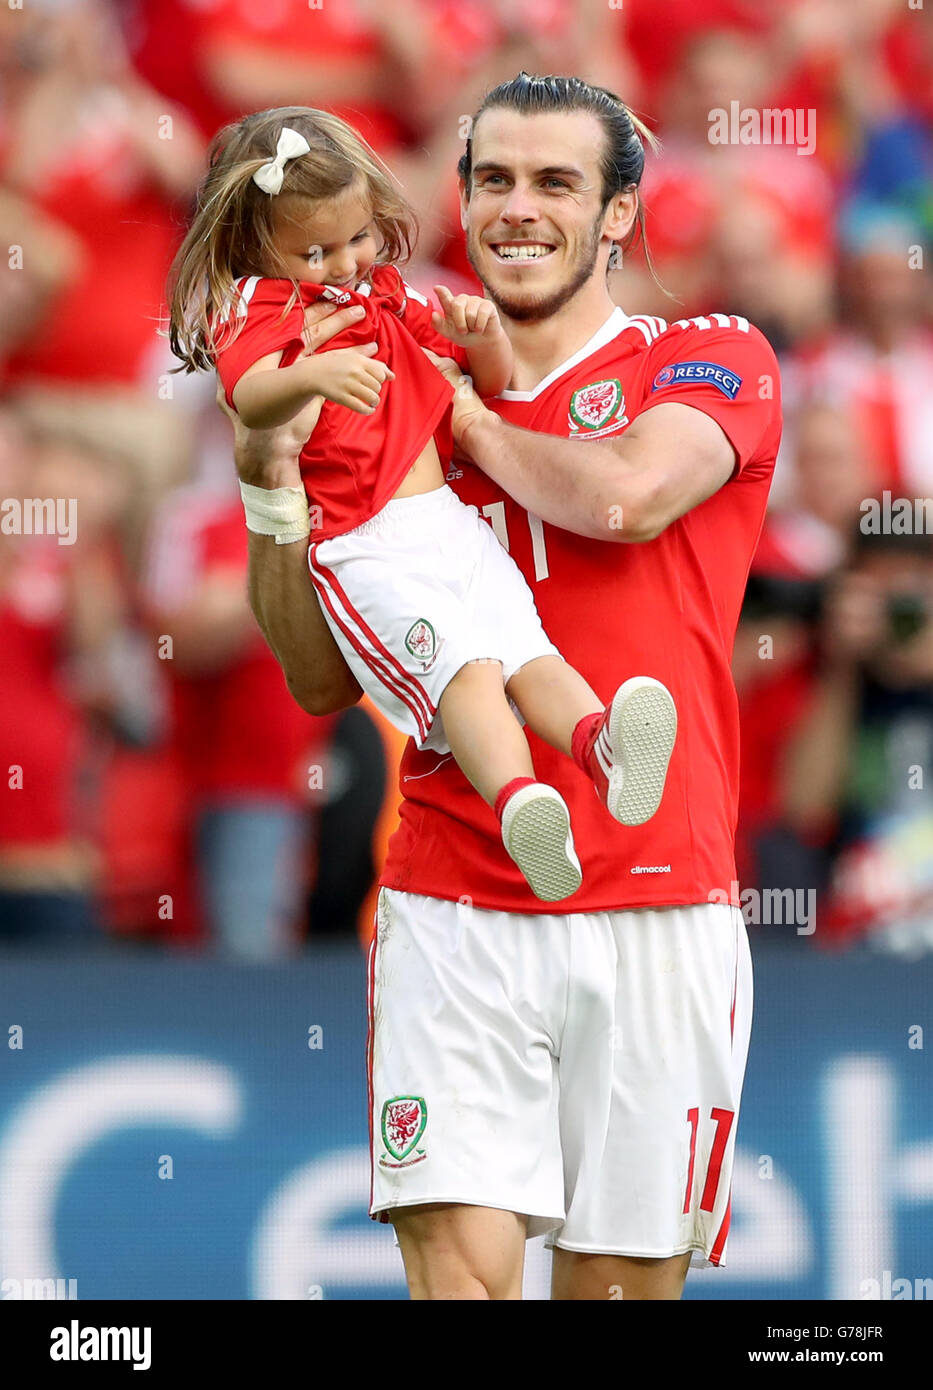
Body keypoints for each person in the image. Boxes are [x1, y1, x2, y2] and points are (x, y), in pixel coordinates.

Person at [223, 73, 782, 1300]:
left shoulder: (706, 354)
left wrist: (459, 421)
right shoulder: (371, 361)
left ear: (620, 215)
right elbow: (318, 678)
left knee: (616, 1291)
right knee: (459, 1282)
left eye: (556, 183)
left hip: (659, 897)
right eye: (493, 179)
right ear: (461, 196)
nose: (517, 209)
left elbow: (625, 496)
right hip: (454, 896)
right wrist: (273, 488)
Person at [169, 106, 678, 903]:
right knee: (467, 670)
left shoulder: (380, 290)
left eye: (357, 239)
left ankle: (600, 745)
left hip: (442, 518)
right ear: (253, 247)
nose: (343, 263)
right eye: (317, 250)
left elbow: (490, 375)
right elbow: (251, 391)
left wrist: (477, 337)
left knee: (524, 641)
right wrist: (310, 376)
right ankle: (519, 802)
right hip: (362, 542)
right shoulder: (266, 311)